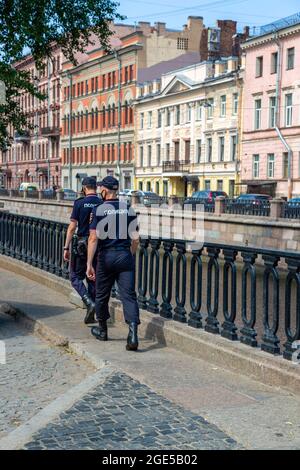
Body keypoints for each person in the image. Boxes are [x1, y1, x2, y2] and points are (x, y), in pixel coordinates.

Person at [86, 176, 140, 351]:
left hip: (106, 257)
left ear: (104, 190)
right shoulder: (128, 208)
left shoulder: (100, 209)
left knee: (102, 294)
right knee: (129, 296)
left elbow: (93, 238)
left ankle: (103, 331)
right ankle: (132, 335)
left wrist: (89, 263)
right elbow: (136, 238)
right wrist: (129, 254)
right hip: (124, 256)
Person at [63, 177, 101, 324]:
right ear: (96, 188)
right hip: (97, 244)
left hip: (81, 245)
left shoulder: (79, 203)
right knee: (92, 277)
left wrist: (66, 247)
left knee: (75, 277)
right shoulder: (101, 203)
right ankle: (93, 310)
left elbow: (72, 227)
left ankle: (88, 302)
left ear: (84, 188)